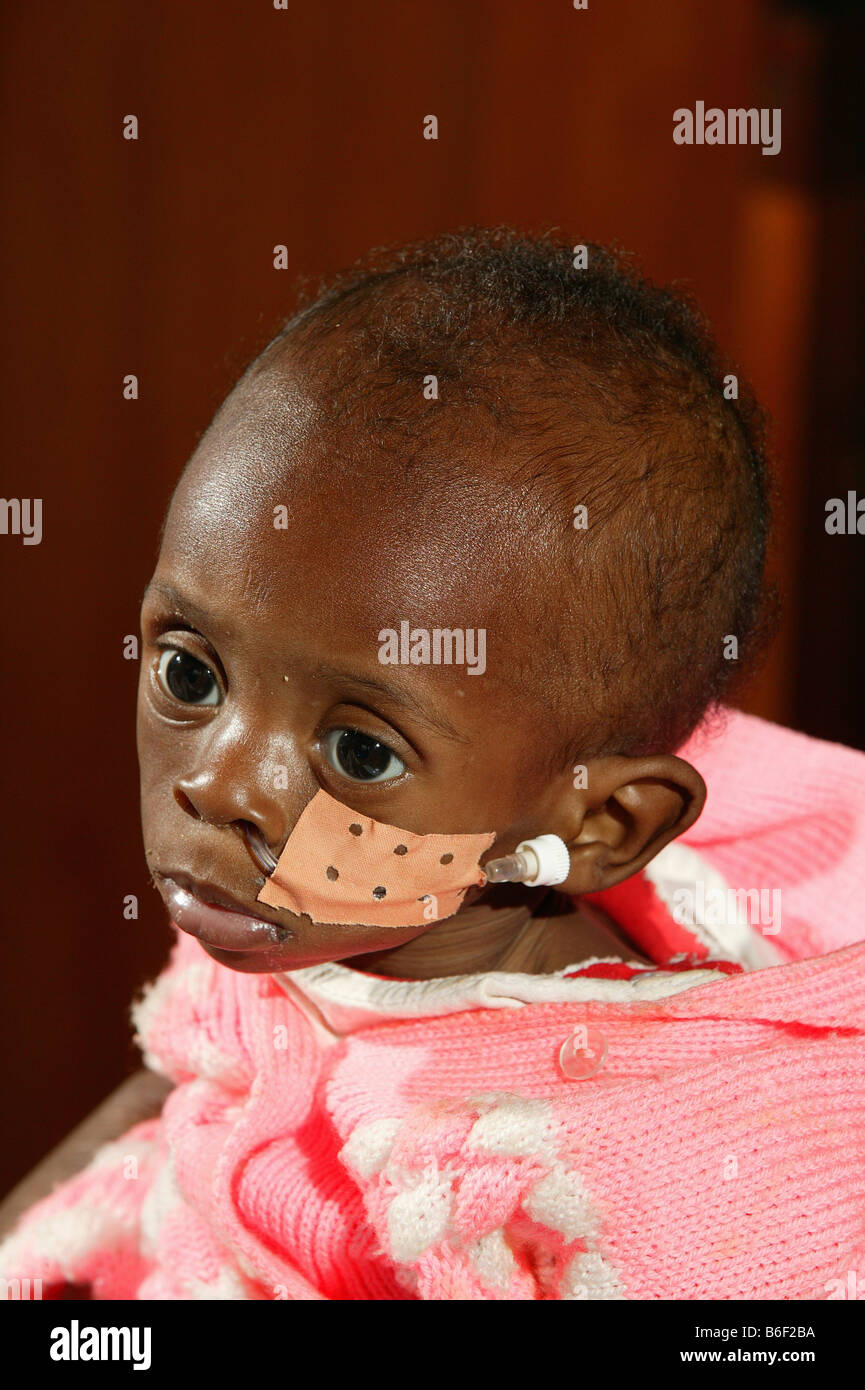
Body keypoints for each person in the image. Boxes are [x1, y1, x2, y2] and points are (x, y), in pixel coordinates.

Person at [2, 227, 863, 1299]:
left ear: (601, 828)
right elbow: (181, 1082)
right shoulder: (325, 916)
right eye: (191, 673)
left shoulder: (611, 1173)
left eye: (360, 749)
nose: (219, 784)